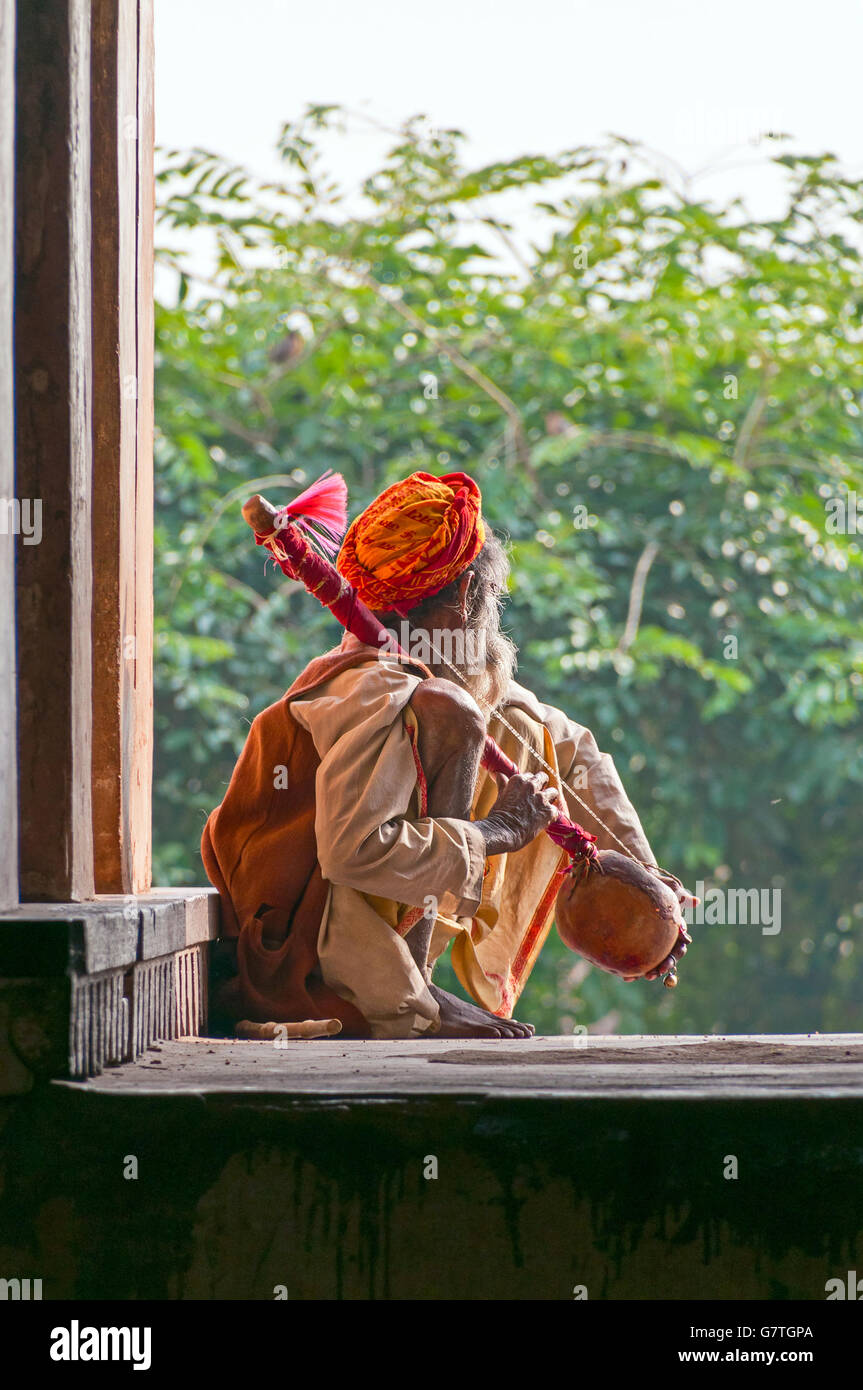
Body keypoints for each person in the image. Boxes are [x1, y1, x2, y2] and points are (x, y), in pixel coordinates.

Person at [203, 471, 690, 1040]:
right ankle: (409, 996)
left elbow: (565, 746)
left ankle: (414, 982)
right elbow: (351, 853)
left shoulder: (437, 667)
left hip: (331, 933)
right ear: (465, 597)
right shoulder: (379, 693)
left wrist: (651, 884)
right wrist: (498, 832)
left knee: (511, 728)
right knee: (454, 715)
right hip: (299, 955)